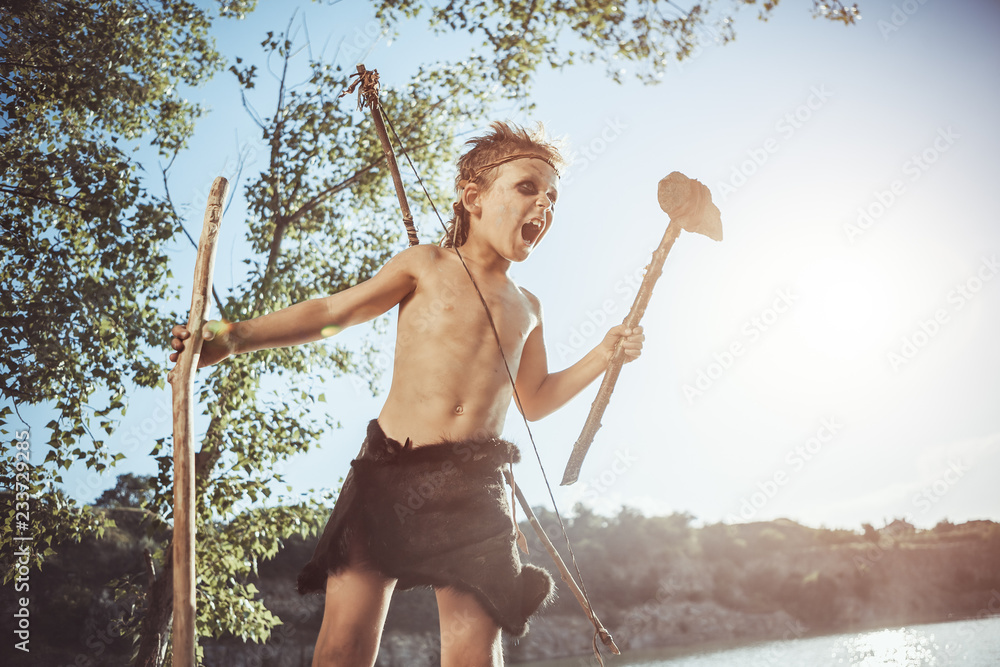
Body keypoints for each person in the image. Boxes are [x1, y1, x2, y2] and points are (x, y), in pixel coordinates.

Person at [169, 121, 644, 667]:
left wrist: (603, 354)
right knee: (344, 646)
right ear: (473, 197)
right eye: (527, 187)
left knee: (474, 654)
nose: (544, 205)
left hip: (475, 488)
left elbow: (534, 398)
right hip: (391, 470)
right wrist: (232, 337)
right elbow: (333, 312)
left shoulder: (528, 306)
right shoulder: (426, 265)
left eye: (553, 196)